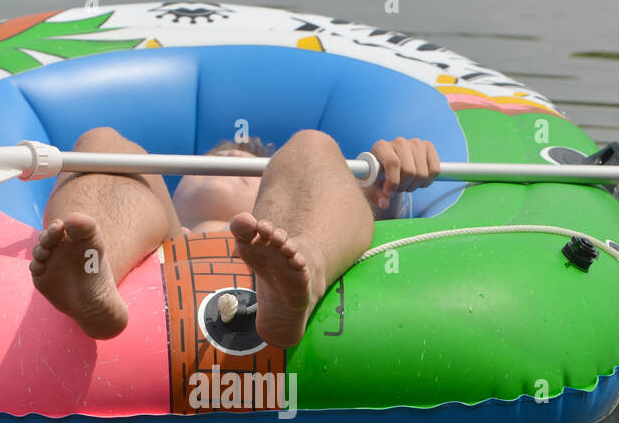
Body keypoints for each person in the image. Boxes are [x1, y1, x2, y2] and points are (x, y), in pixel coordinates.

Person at [28, 127, 441, 348]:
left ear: (275, 187)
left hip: (294, 241)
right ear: (173, 191)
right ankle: (93, 274)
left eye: (251, 167)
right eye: (208, 163)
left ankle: (307, 270)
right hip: (162, 246)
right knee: (104, 142)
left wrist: (392, 172)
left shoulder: (307, 202)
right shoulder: (159, 218)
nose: (229, 158)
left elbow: (361, 199)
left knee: (313, 145)